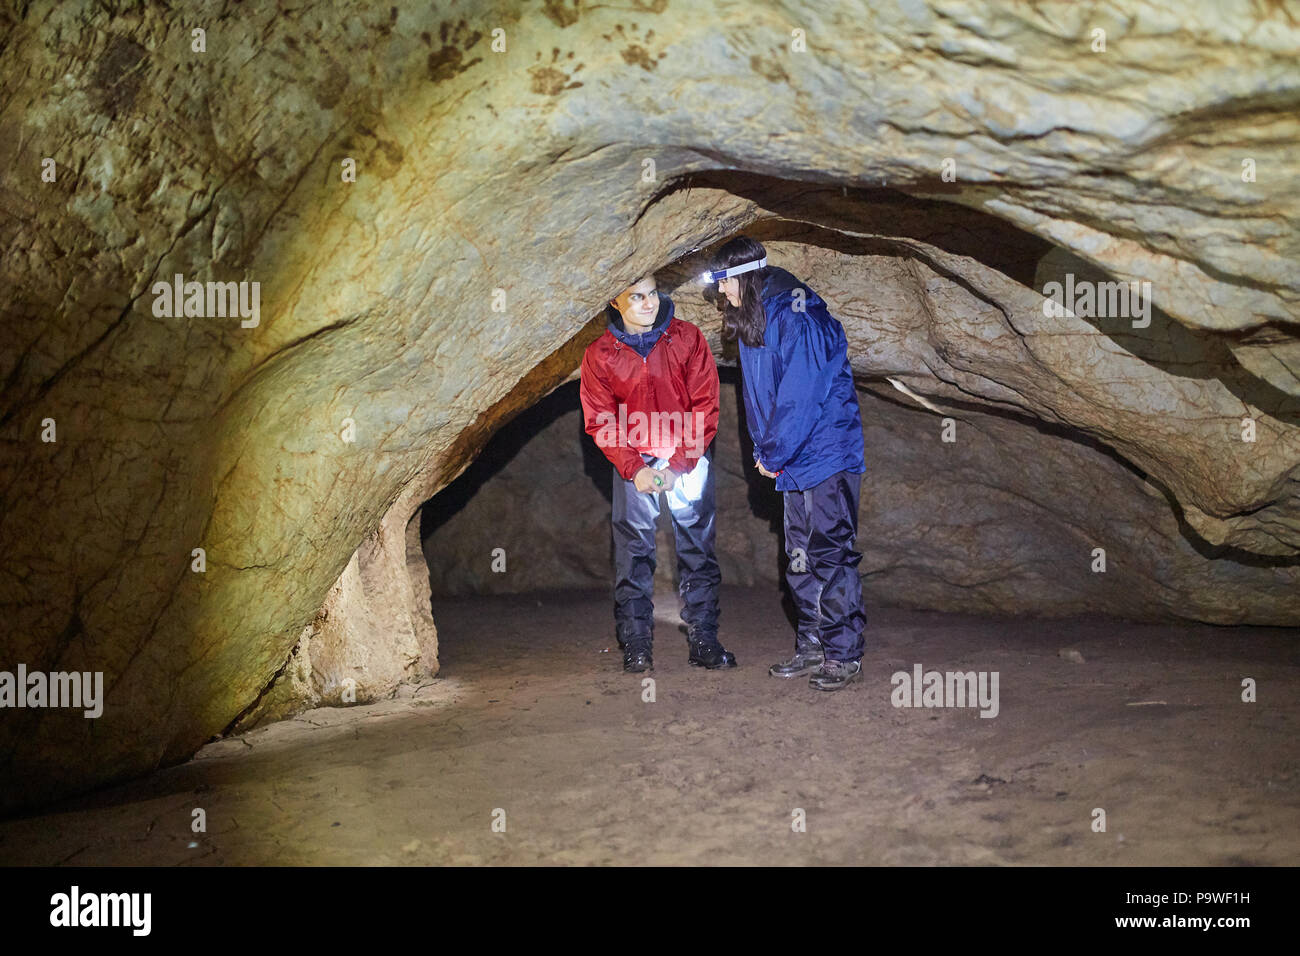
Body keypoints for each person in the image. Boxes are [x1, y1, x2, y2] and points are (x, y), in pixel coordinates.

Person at [706, 237, 867, 690]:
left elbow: (800, 396)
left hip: (825, 454)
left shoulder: (799, 316)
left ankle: (843, 654)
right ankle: (813, 646)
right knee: (799, 553)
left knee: (830, 551)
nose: (722, 294)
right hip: (794, 458)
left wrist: (773, 453)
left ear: (744, 277)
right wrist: (769, 452)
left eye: (724, 284)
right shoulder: (761, 319)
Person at [579, 275, 736, 674]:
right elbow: (600, 418)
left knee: (698, 552)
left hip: (686, 461)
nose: (648, 303)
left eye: (652, 294)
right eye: (636, 297)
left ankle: (704, 639)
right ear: (616, 301)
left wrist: (679, 464)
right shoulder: (600, 354)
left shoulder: (686, 338)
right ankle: (636, 644)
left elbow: (705, 403)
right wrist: (635, 469)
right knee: (633, 554)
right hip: (635, 465)